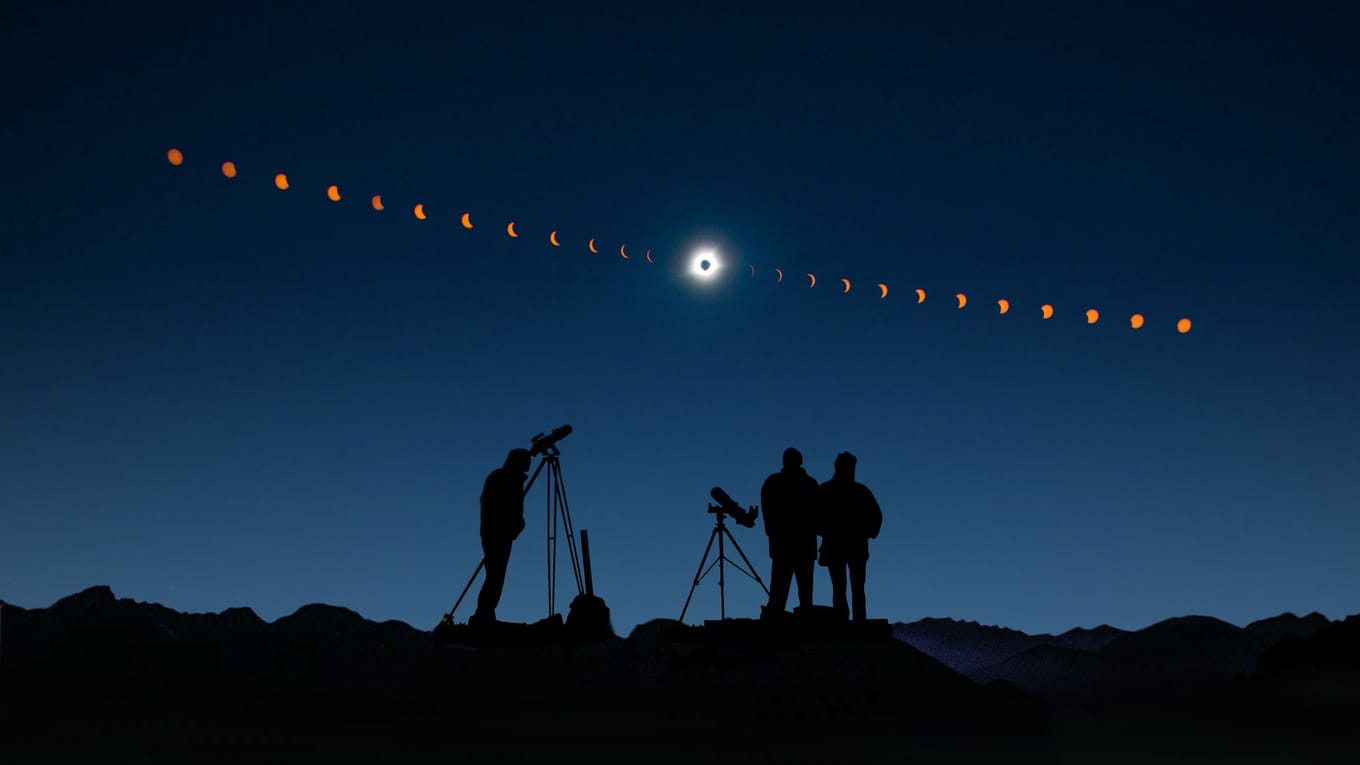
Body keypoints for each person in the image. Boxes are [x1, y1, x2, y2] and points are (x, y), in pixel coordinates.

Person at [816, 451, 882, 622]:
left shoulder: (826, 490)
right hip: (852, 547)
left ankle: (844, 622)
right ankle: (854, 622)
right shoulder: (860, 491)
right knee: (851, 588)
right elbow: (876, 516)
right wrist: (867, 533)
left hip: (841, 546)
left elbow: (814, 517)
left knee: (842, 587)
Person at [472, 448, 531, 625]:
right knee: (495, 574)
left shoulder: (504, 477)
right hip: (497, 532)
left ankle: (485, 611)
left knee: (495, 574)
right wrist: (515, 525)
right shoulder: (504, 479)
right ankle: (484, 612)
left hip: (498, 532)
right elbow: (501, 506)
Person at [760, 447, 819, 617]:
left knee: (780, 589)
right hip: (802, 545)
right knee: (804, 592)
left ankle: (774, 623)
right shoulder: (810, 484)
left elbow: (768, 514)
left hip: (784, 545)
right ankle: (803, 624)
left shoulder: (773, 483)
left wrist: (773, 532)